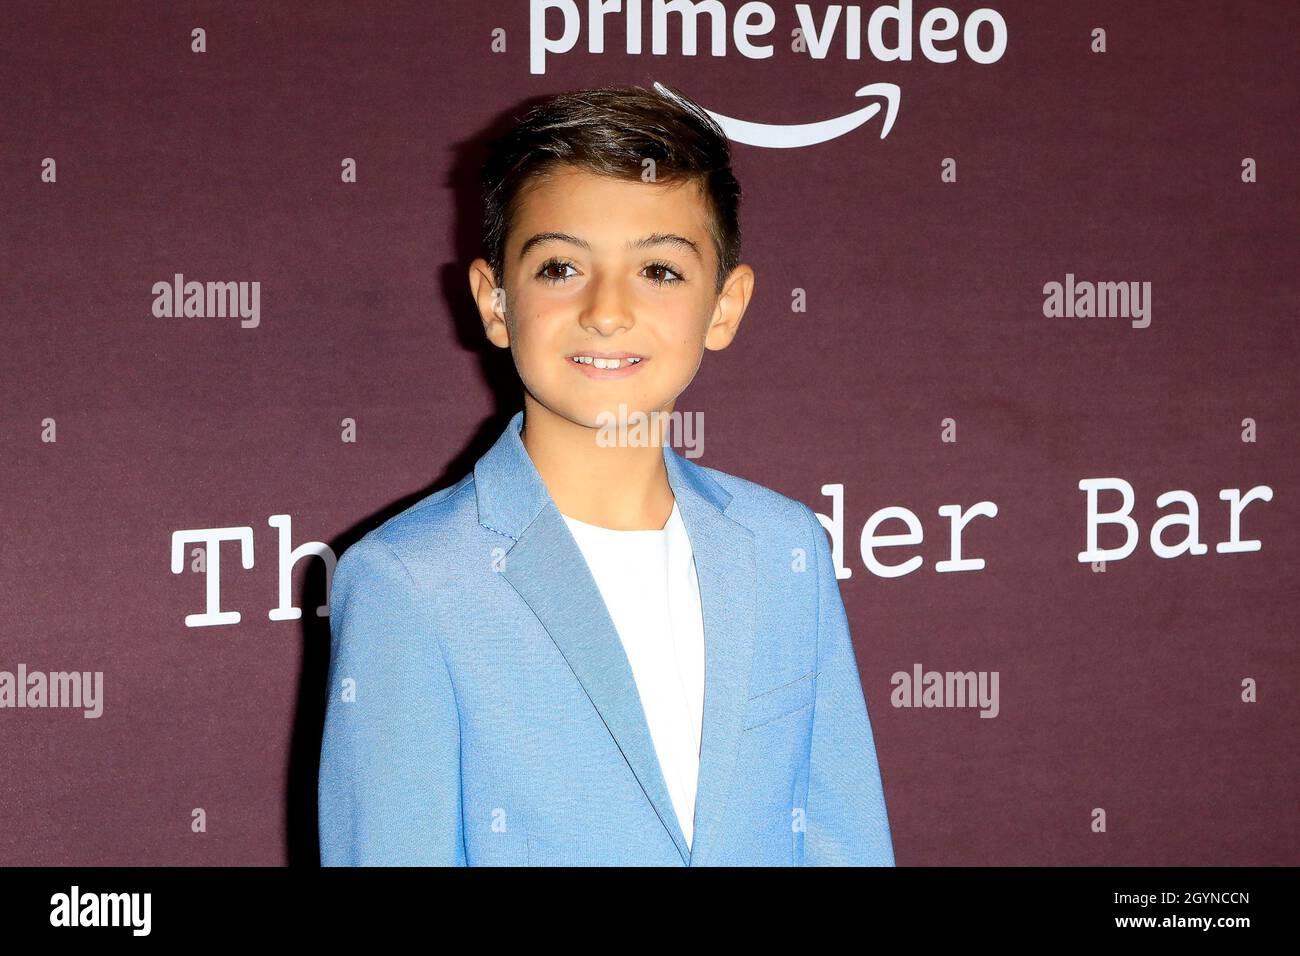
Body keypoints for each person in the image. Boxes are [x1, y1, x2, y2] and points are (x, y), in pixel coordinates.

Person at [318, 83, 895, 866]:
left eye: (659, 271)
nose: (608, 311)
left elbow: (843, 838)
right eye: (560, 267)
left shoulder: (784, 545)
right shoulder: (408, 582)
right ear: (495, 302)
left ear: (725, 306)